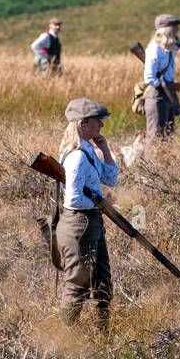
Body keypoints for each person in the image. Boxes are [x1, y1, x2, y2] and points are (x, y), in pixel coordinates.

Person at [56, 98, 118, 331]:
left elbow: (111, 179)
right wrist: (100, 203)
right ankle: (66, 339)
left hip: (92, 221)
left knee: (102, 280)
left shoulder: (89, 150)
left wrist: (105, 149)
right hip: (79, 223)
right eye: (97, 122)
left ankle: (104, 333)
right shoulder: (76, 157)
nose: (101, 125)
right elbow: (72, 199)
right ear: (83, 124)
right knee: (77, 285)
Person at [143, 14, 180, 144]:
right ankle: (151, 164)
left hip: (168, 94)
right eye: (174, 29)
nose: (176, 32)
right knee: (155, 137)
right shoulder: (154, 49)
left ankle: (166, 164)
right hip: (157, 95)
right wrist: (164, 86)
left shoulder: (169, 49)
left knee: (168, 136)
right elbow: (149, 77)